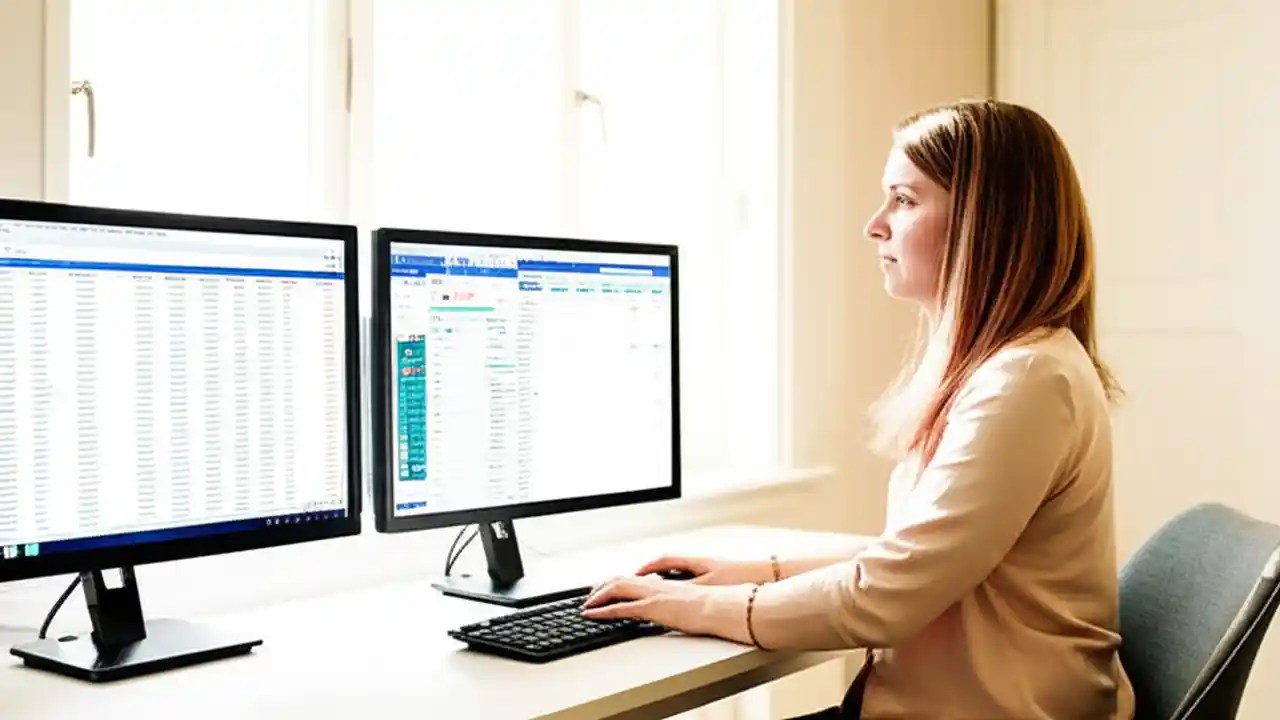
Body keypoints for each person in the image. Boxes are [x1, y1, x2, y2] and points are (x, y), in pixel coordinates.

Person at [580, 99, 1137, 719]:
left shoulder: (1026, 382)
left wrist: (678, 605)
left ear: (985, 223)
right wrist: (753, 570)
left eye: (903, 199)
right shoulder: (1018, 366)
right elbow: (914, 557)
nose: (875, 225)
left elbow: (884, 597)